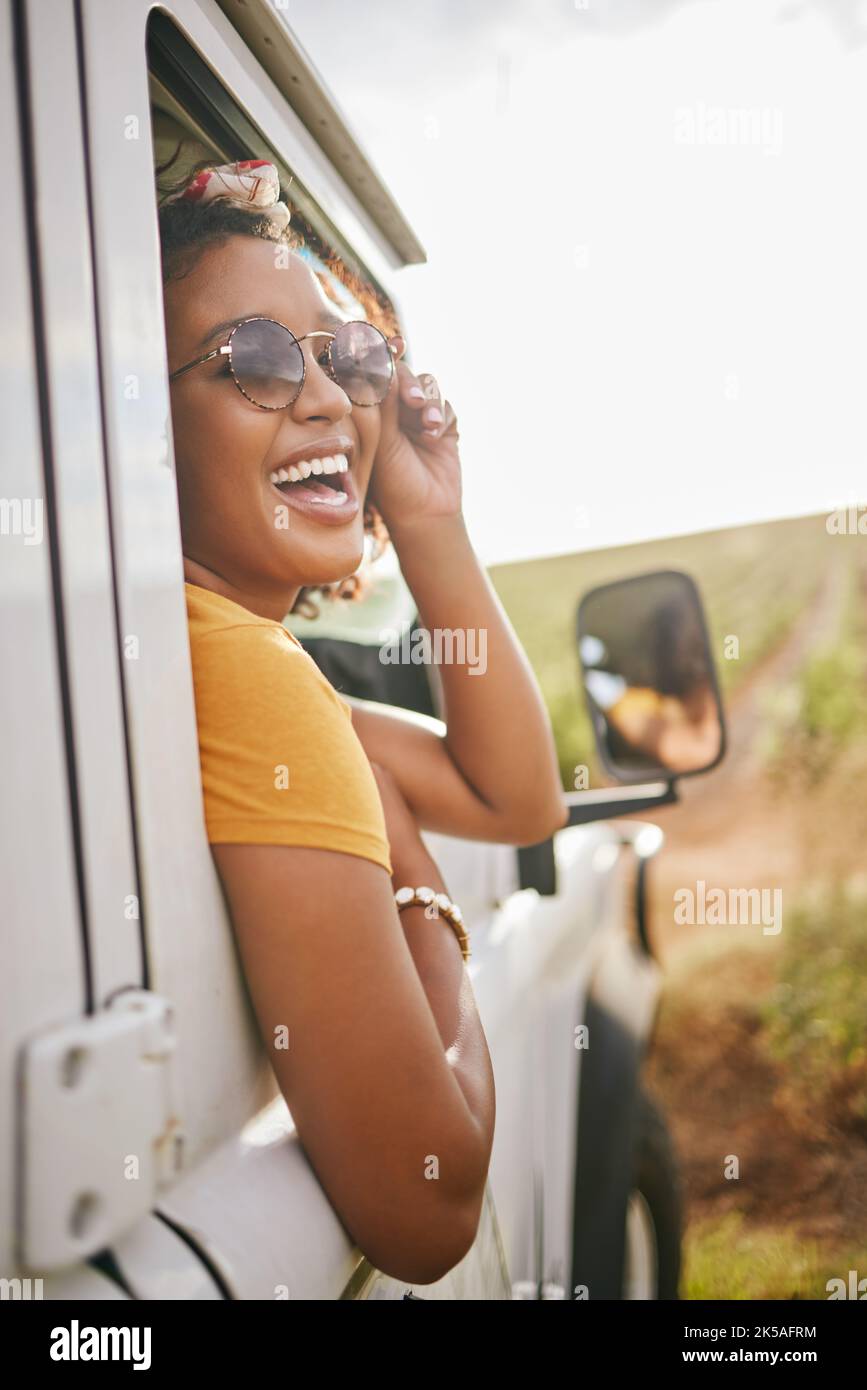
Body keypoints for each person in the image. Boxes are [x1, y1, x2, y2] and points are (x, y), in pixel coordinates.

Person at [158, 158, 567, 1286]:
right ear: (137, 438)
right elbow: (431, 1204)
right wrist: (417, 886)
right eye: (253, 358)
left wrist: (428, 516)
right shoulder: (247, 674)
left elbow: (516, 795)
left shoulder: (216, 655)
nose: (331, 398)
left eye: (347, 358)